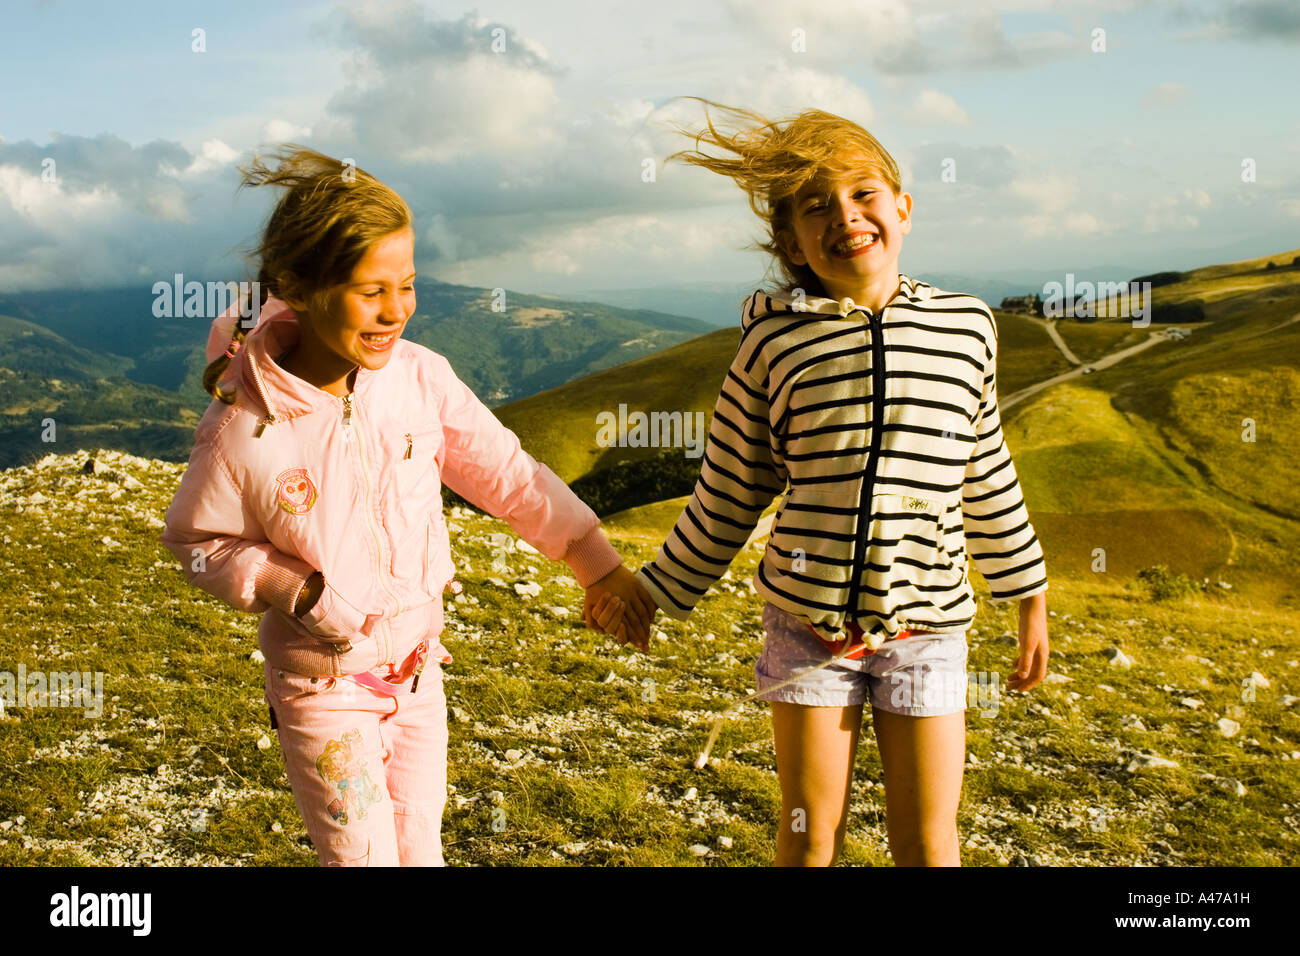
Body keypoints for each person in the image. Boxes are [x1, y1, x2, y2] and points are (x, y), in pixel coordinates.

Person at [161, 146, 651, 866]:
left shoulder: (421, 379)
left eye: (409, 285)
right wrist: (295, 590)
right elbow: (195, 538)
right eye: (371, 291)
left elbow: (508, 474)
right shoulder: (246, 423)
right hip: (322, 689)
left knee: (421, 852)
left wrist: (594, 562)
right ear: (298, 284)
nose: (396, 311)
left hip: (421, 677)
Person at [592, 99, 1050, 867]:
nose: (844, 215)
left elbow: (987, 468)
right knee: (809, 839)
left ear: (903, 206)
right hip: (806, 627)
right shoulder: (773, 342)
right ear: (791, 241)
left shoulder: (968, 327)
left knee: (930, 845)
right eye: (815, 206)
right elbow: (731, 486)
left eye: (863, 193)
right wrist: (654, 591)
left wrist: (1027, 594)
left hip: (929, 629)